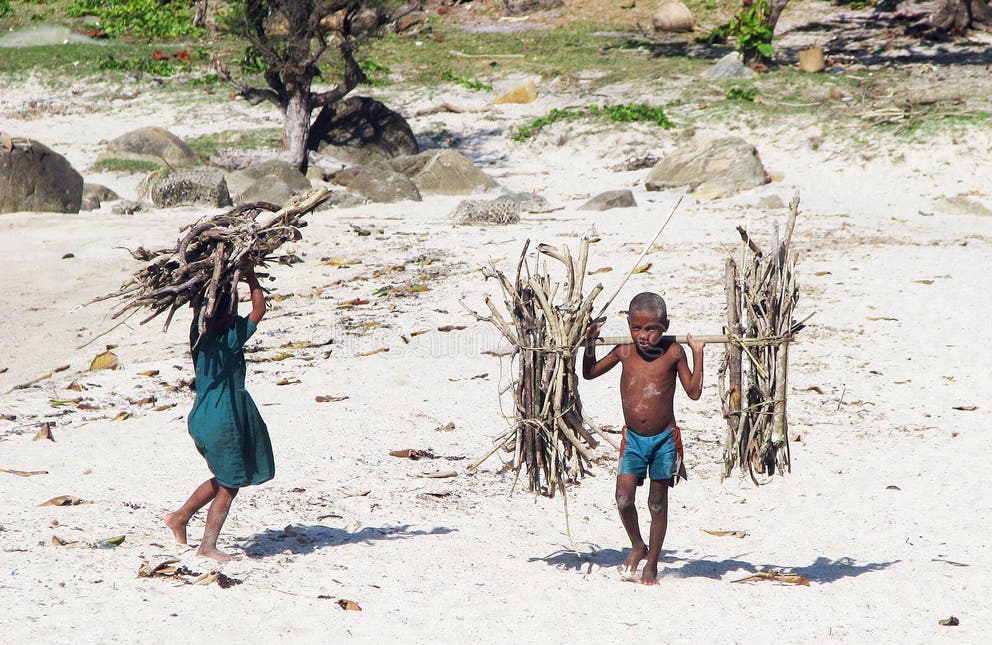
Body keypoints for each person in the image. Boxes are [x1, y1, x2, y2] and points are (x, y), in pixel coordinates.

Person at [582, 292, 704, 585]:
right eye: (636, 328)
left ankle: (652, 563)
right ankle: (638, 544)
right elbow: (589, 373)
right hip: (633, 440)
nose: (643, 336)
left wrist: (697, 353)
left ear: (665, 325)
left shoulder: (674, 352)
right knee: (623, 498)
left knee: (657, 503)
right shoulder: (624, 352)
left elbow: (694, 392)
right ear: (629, 325)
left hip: (664, 440)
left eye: (651, 329)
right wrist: (588, 344)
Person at [165, 264, 274, 561]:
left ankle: (180, 517)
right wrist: (251, 274)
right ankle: (207, 546)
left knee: (225, 476)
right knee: (230, 483)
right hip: (224, 416)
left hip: (202, 414)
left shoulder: (198, 336)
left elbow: (203, 307)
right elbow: (260, 309)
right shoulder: (230, 337)